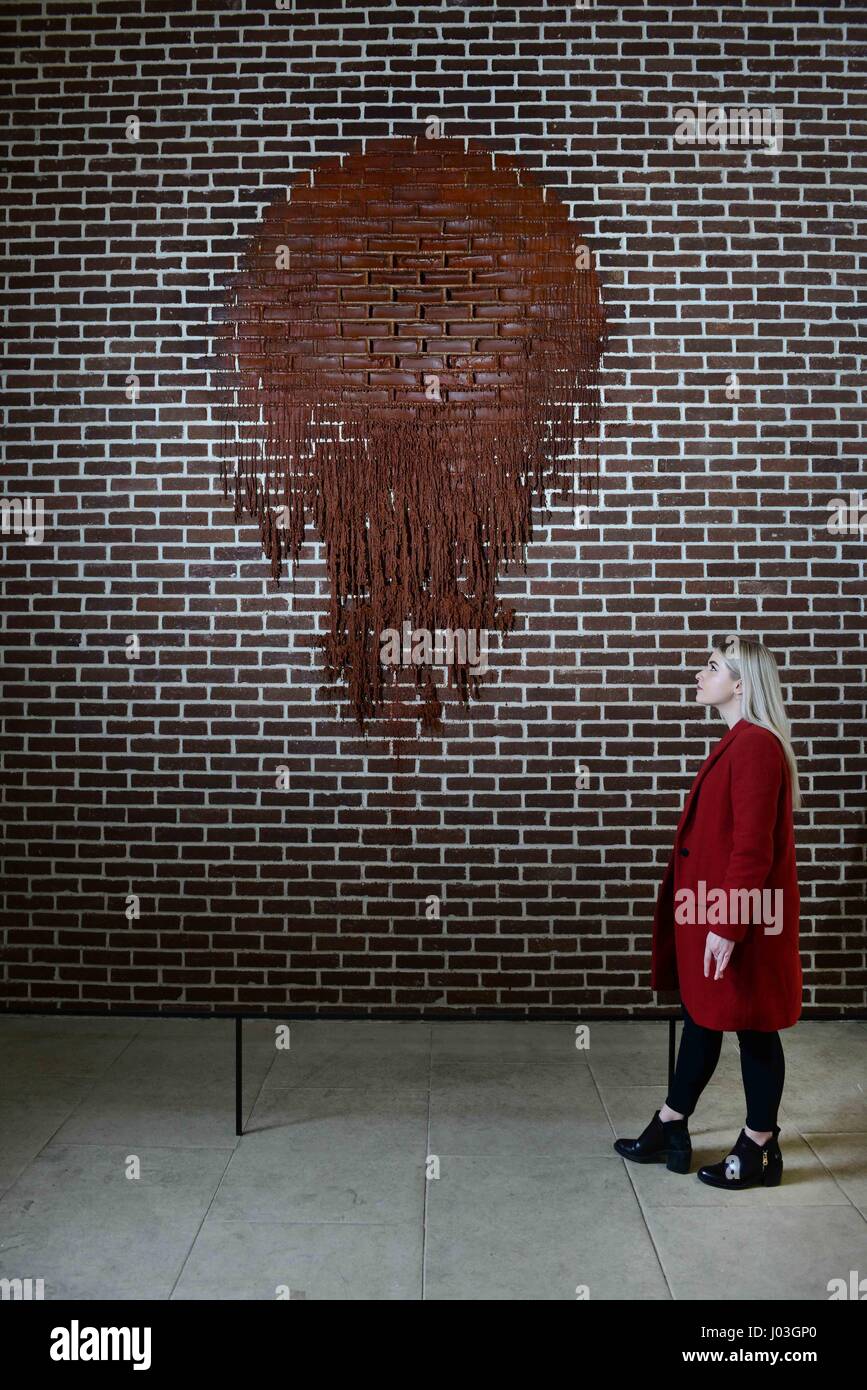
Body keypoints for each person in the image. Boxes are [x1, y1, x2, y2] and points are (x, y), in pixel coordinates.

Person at [614, 636, 803, 1189]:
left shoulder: (755, 747)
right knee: (702, 1017)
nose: (700, 674)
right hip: (717, 914)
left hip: (739, 921)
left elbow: (752, 848)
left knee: (755, 1029)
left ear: (740, 685)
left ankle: (760, 1147)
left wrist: (726, 926)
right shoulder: (740, 742)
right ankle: (672, 1122)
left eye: (713, 667)